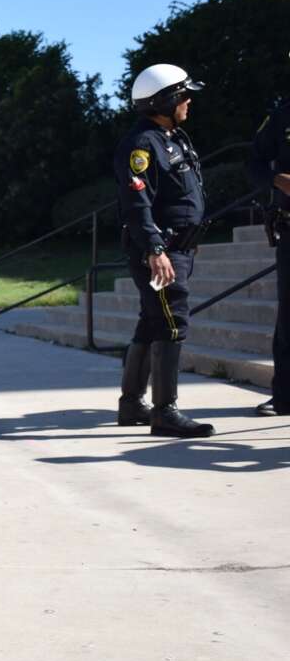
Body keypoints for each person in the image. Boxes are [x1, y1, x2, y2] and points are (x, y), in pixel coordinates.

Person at [114, 64, 214, 438]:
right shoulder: (142, 145)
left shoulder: (172, 137)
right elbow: (137, 204)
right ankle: (165, 412)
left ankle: (131, 405)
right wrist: (156, 249)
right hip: (163, 251)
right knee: (174, 323)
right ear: (166, 101)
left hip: (178, 247)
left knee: (153, 321)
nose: (189, 101)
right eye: (184, 95)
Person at [246, 94, 290, 416]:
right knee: (288, 318)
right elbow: (254, 162)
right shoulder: (282, 114)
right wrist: (277, 179)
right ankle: (284, 396)